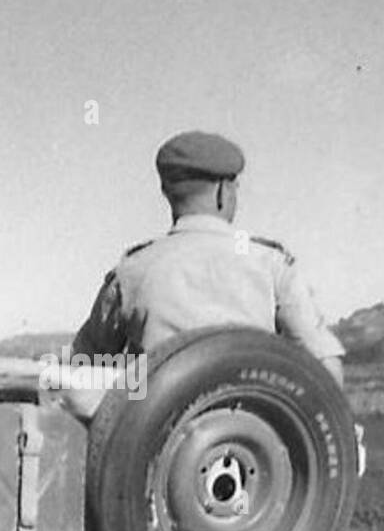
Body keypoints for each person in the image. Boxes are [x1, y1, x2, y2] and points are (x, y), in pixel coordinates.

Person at [72, 130, 345, 384]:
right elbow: (326, 368)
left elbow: (84, 368)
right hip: (257, 431)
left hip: (157, 432)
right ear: (222, 192)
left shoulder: (132, 272)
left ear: (166, 191)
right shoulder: (269, 265)